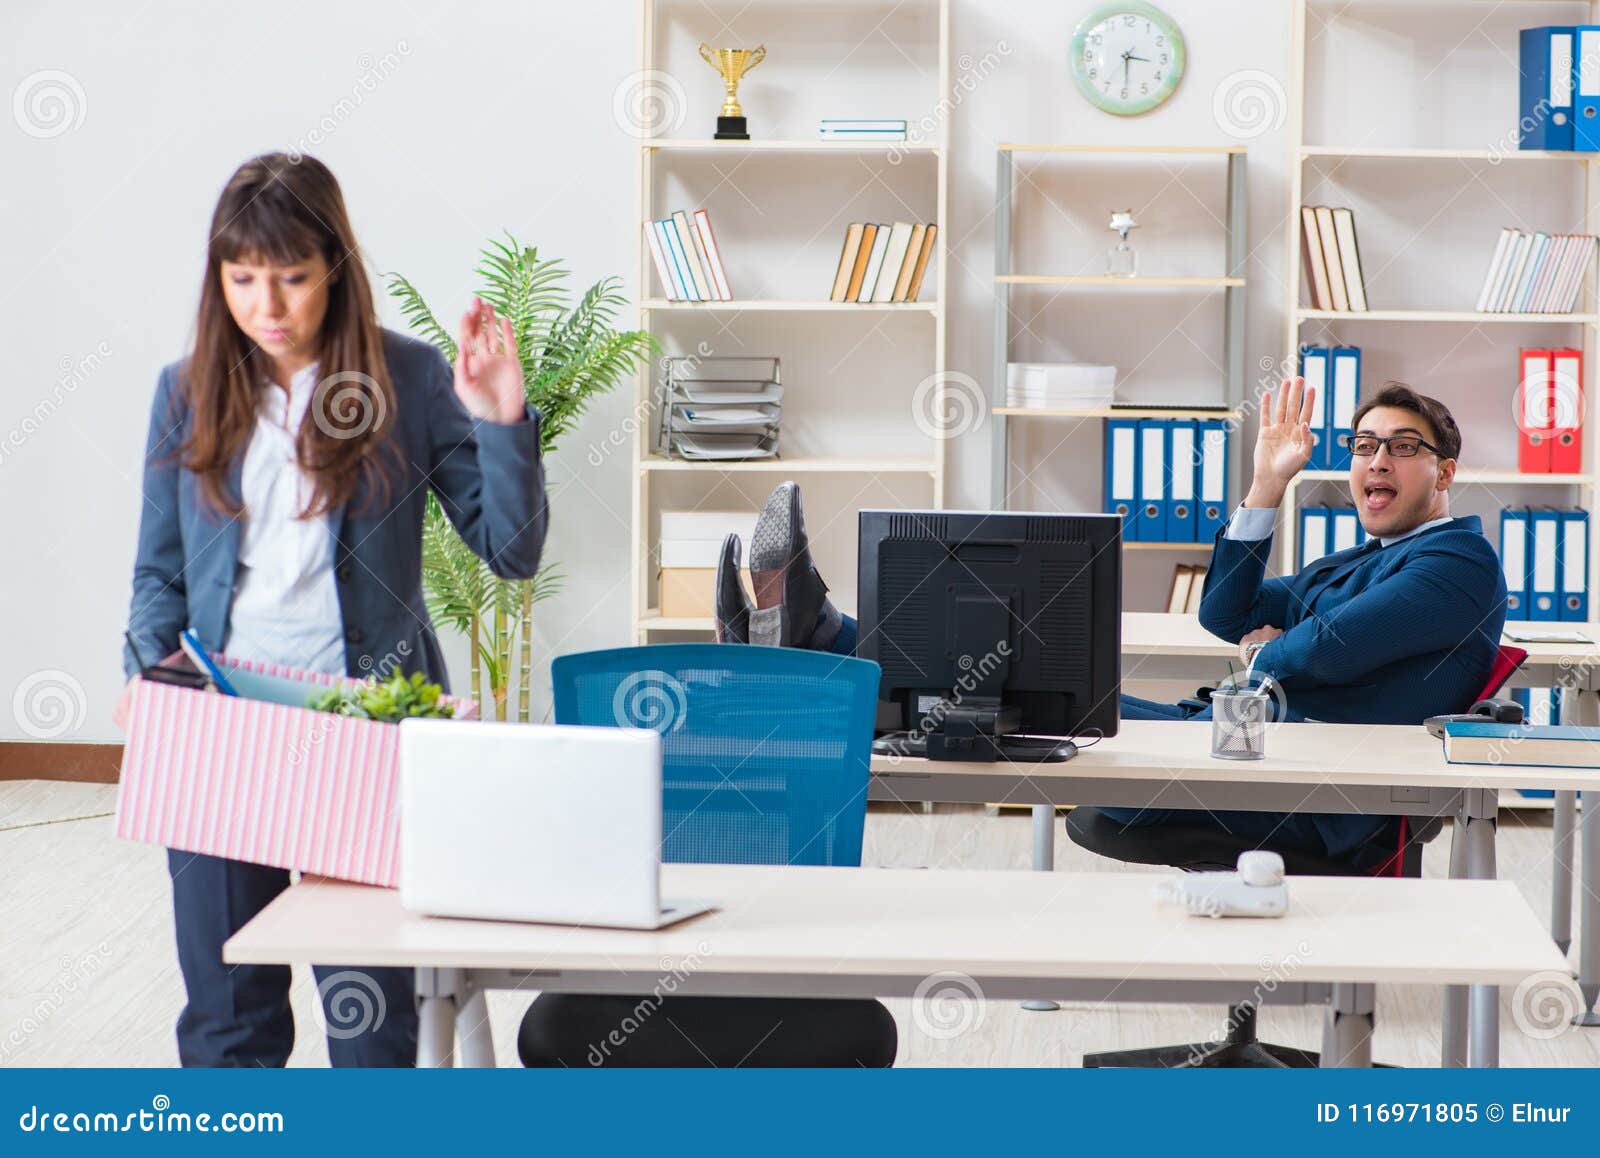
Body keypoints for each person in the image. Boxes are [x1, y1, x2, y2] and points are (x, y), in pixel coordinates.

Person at [116, 153, 549, 1066]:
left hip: (364, 733)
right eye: (242, 279)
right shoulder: (186, 390)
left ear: (335, 270)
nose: (266, 305)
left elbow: (509, 550)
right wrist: (150, 680)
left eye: (292, 277)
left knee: (372, 1021)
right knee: (227, 1018)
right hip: (219, 729)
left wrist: (502, 417)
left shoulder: (409, 378)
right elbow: (159, 573)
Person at [715, 378, 1507, 863]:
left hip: (1314, 794)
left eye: (1403, 447)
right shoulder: (1354, 561)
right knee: (1016, 679)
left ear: (1445, 472)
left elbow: (1327, 649)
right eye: (1365, 445)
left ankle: (813, 643)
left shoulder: (1459, 561)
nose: (1377, 460)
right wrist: (1267, 486)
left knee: (1021, 693)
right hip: (1242, 744)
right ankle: (808, 644)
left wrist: (1268, 656)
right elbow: (1226, 612)